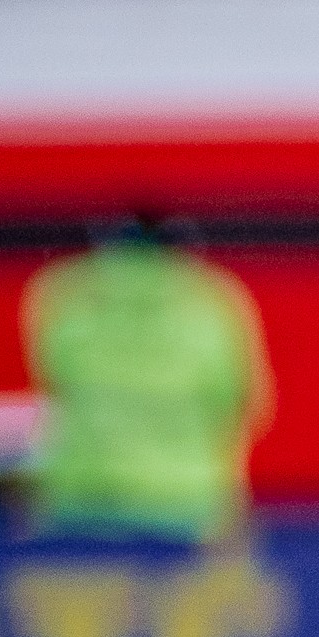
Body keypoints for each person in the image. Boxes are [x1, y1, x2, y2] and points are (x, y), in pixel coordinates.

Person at [25, 226, 270, 541]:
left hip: (83, 496)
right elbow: (245, 403)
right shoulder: (214, 299)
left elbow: (51, 382)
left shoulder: (67, 293)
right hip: (186, 501)